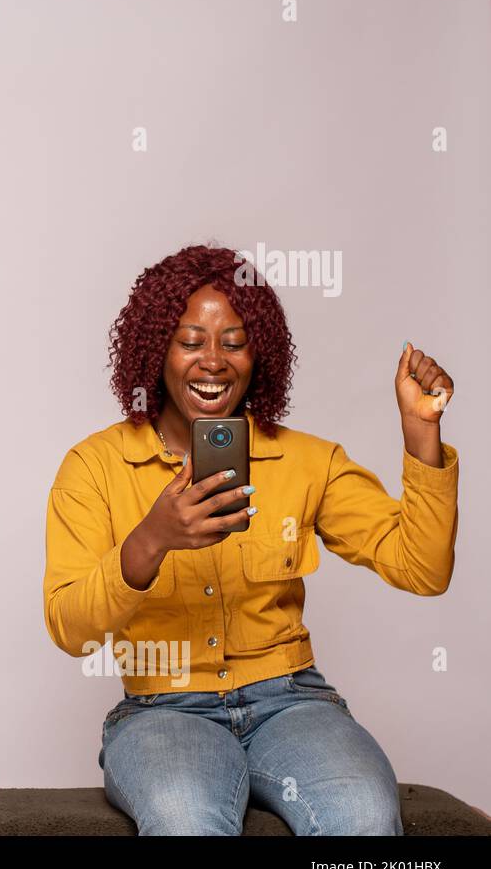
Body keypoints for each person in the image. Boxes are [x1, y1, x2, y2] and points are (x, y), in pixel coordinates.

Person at [43, 244, 458, 835]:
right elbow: (69, 628)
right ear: (155, 349)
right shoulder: (94, 467)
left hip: (291, 703)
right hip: (164, 709)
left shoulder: (307, 460)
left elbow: (423, 569)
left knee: (365, 817)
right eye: (190, 341)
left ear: (258, 354)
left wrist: (421, 433)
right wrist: (152, 540)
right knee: (186, 820)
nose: (212, 361)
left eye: (233, 342)